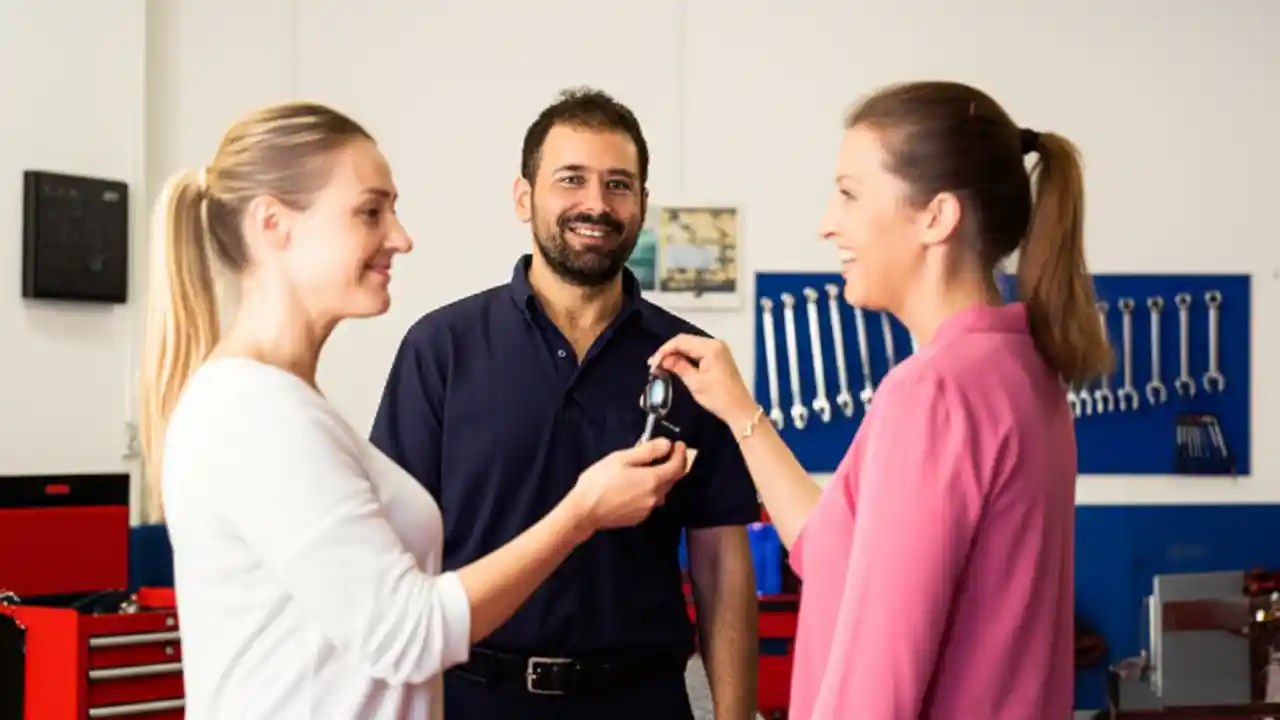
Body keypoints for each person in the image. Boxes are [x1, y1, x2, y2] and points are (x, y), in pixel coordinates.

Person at [138, 100, 691, 720]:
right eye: (370, 212)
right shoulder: (257, 413)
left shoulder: (287, 404)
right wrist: (584, 512)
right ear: (275, 225)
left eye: (392, 210)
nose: (400, 237)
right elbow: (410, 634)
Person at [648, 80, 1113, 719]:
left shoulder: (933, 395)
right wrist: (739, 411)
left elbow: (877, 680)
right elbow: (834, 552)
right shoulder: (1023, 371)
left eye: (849, 194)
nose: (827, 223)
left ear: (936, 217)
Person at [370, 87, 760, 719]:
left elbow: (721, 564)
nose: (596, 205)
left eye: (618, 185)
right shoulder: (441, 349)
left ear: (641, 204)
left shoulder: (693, 359)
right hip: (475, 699)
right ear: (524, 197)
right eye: (571, 180)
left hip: (643, 701)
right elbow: (395, 553)